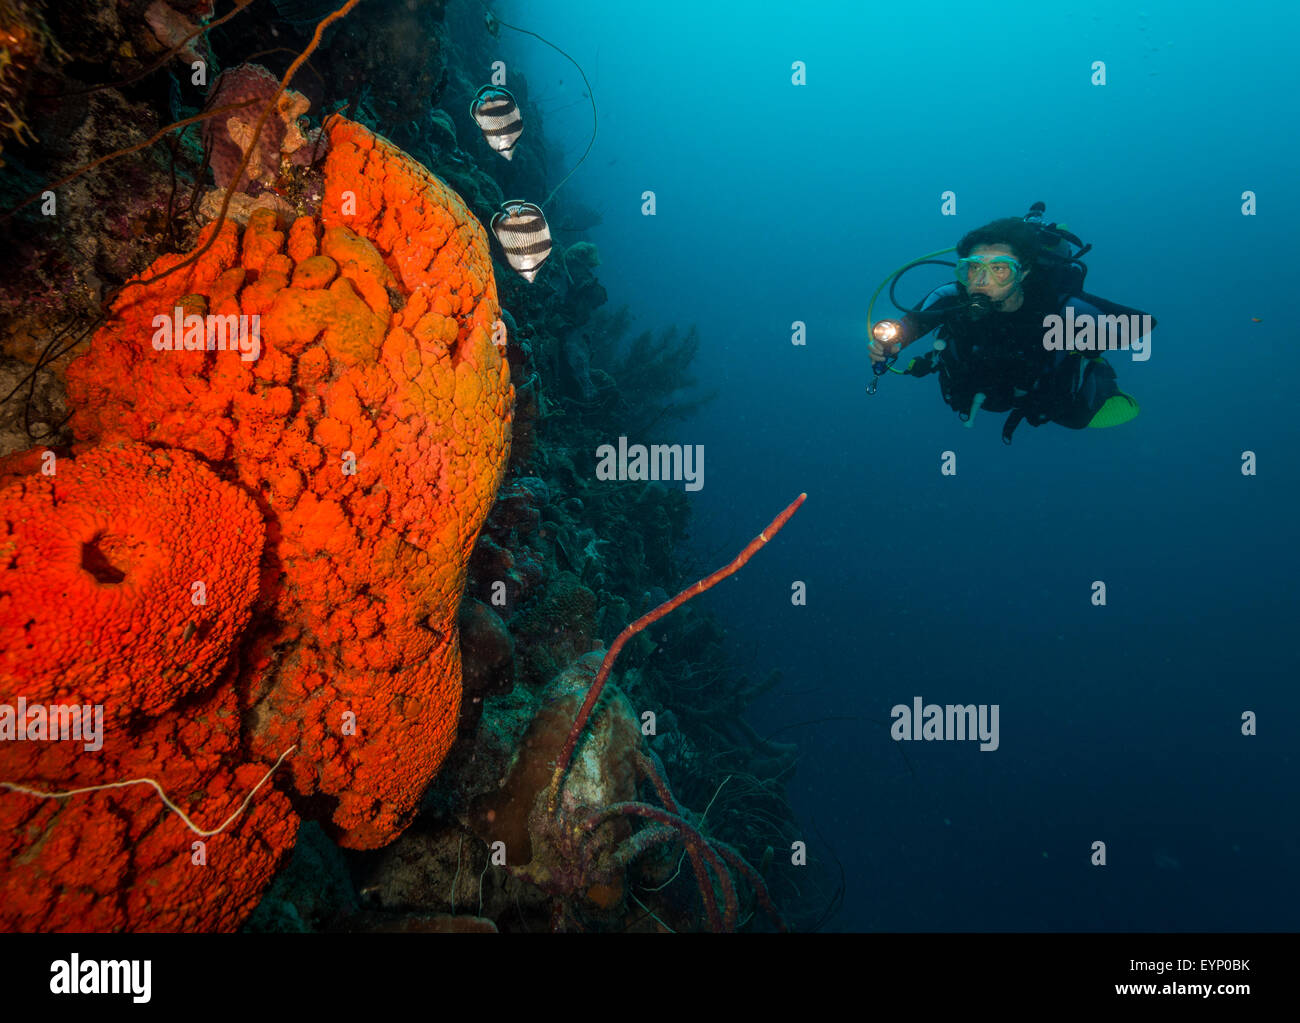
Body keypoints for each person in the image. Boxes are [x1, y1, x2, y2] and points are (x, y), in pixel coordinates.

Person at [867, 216, 1147, 444]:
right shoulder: (951, 296)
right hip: (978, 387)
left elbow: (1142, 324)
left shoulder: (1058, 305)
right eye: (973, 268)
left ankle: (1097, 372)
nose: (982, 280)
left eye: (1000, 269)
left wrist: (1084, 341)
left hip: (1040, 390)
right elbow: (904, 329)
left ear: (1023, 273)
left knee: (1075, 417)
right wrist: (889, 346)